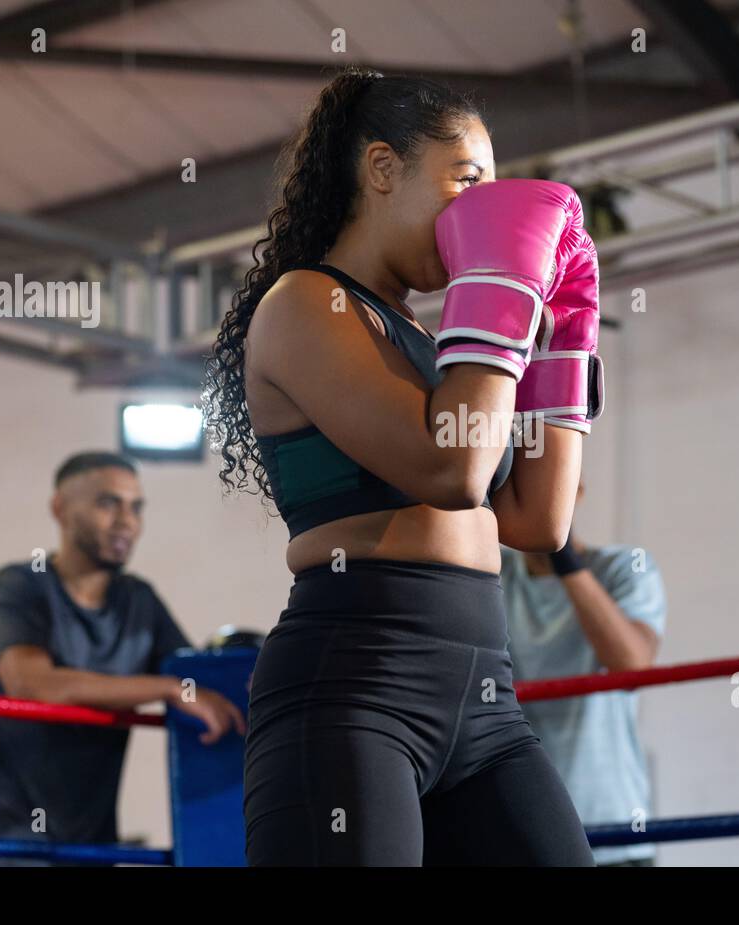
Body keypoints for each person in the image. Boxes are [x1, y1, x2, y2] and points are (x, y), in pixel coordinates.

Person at [204, 67, 604, 865]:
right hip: (353, 688)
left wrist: (563, 332)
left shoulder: (429, 341)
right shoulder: (307, 305)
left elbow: (536, 518)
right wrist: (500, 284)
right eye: (465, 182)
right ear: (382, 170)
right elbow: (452, 468)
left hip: (487, 703)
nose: (482, 211)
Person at [0, 451, 245, 865]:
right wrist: (168, 689)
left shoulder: (139, 601)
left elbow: (201, 684)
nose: (127, 521)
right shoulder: (17, 587)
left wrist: (256, 669)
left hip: (89, 844)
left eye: (136, 507)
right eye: (108, 503)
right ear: (60, 508)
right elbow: (30, 683)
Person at [500, 479, 666, 866]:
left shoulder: (623, 567)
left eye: (544, 487)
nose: (531, 503)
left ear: (575, 492)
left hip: (614, 826)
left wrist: (564, 558)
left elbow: (632, 664)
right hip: (523, 825)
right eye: (518, 491)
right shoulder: (492, 576)